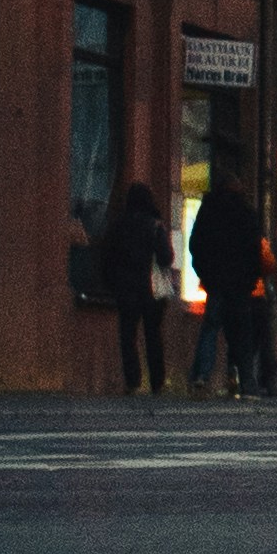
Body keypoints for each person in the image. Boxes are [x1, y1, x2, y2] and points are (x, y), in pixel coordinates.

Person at [187, 164, 270, 401]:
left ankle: (201, 376)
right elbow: (257, 249)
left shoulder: (208, 210)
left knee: (211, 329)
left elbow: (196, 245)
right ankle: (248, 384)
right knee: (242, 333)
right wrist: (251, 279)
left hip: (217, 283)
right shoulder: (246, 212)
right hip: (240, 285)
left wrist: (205, 274)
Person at [101, 170, 175, 400]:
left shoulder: (119, 225)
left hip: (126, 287)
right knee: (153, 336)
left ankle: (132, 381)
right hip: (151, 289)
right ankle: (157, 382)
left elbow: (108, 256)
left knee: (128, 335)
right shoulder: (155, 226)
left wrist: (112, 282)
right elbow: (166, 258)